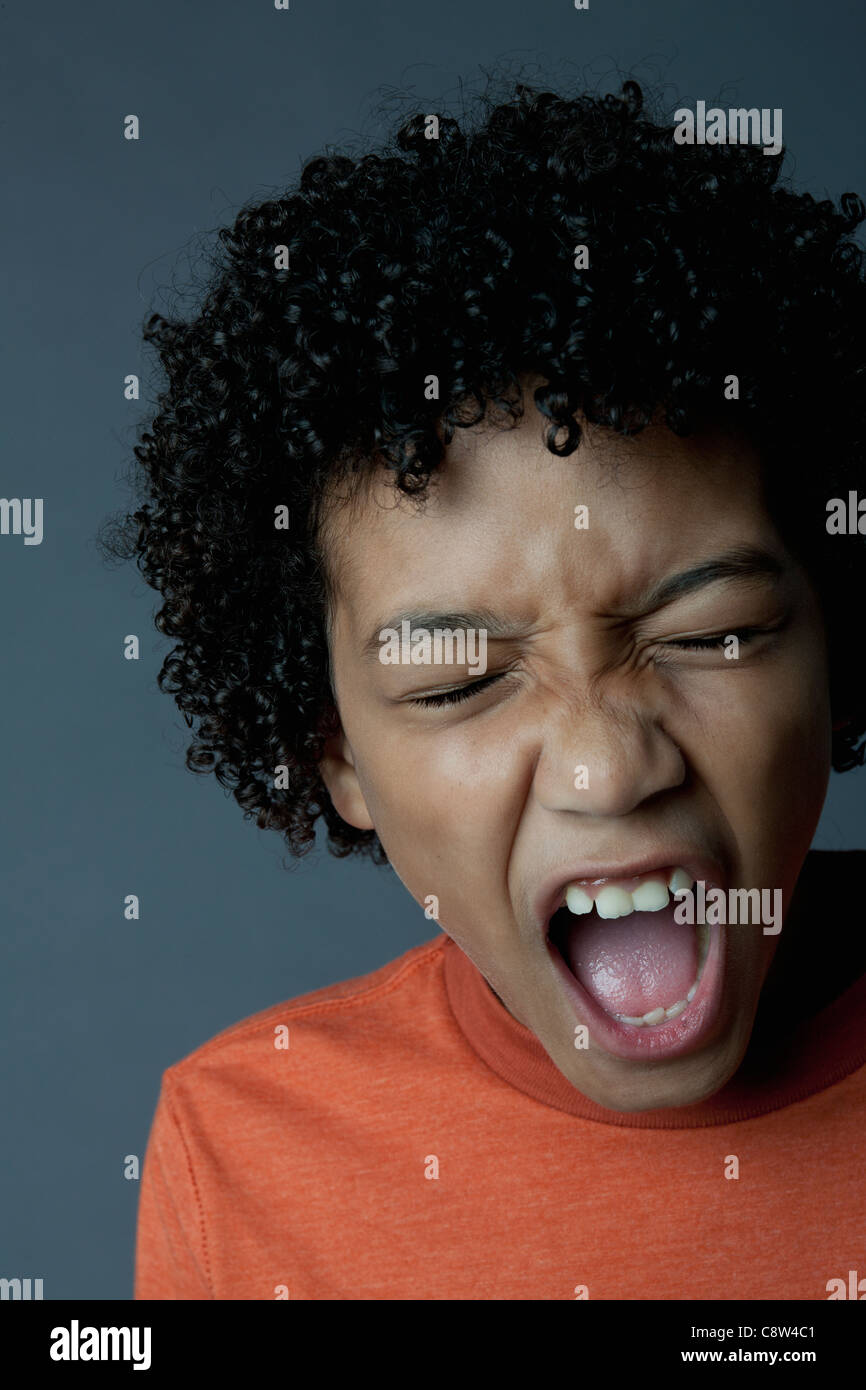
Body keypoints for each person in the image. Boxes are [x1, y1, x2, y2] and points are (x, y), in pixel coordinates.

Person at [108, 76, 866, 1299]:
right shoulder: (241, 1150)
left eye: (711, 632)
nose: (605, 764)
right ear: (336, 753)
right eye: (458, 681)